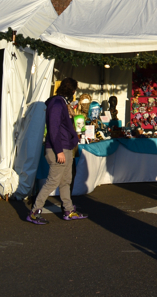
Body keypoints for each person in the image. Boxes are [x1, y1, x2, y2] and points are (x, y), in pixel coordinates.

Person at [27, 78, 89, 225]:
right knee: (52, 181)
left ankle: (68, 210)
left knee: (66, 180)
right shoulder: (57, 103)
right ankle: (35, 211)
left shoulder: (61, 102)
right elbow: (53, 128)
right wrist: (59, 151)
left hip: (65, 146)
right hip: (59, 148)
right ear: (72, 90)